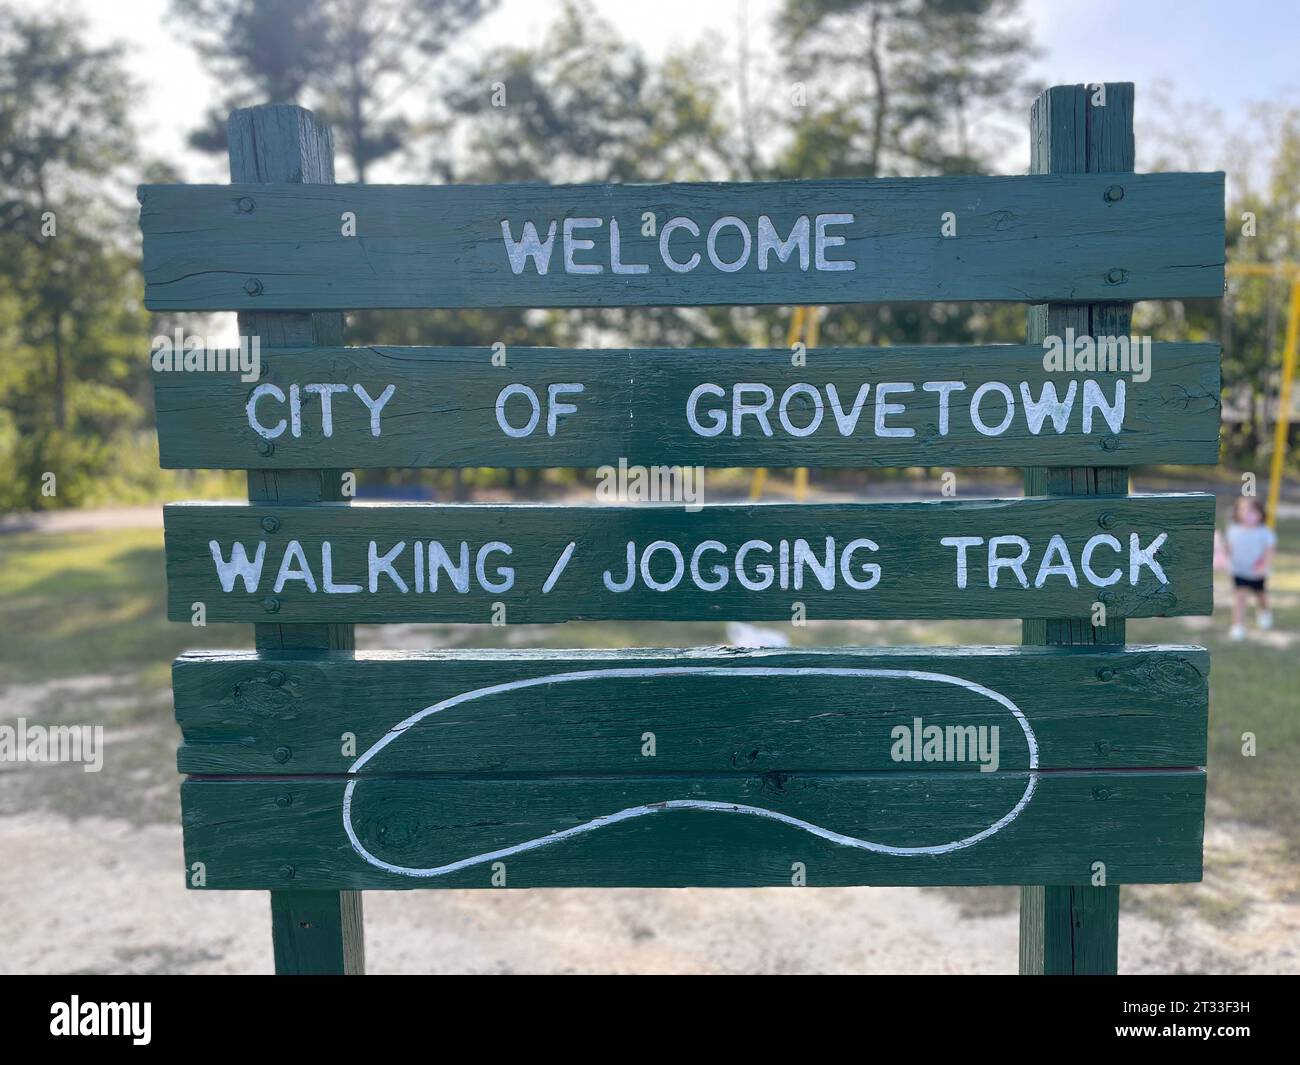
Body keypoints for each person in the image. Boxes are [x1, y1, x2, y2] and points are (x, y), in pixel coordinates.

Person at [1226, 497, 1276, 640]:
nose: (1248, 513)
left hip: (1257, 572)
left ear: (1260, 513)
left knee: (1261, 595)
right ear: (1238, 513)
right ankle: (1238, 626)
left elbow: (1270, 551)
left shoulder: (1265, 531)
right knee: (1240, 597)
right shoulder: (1234, 529)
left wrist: (1264, 565)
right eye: (1244, 510)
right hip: (1239, 570)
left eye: (1252, 510)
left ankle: (1264, 613)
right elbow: (1229, 548)